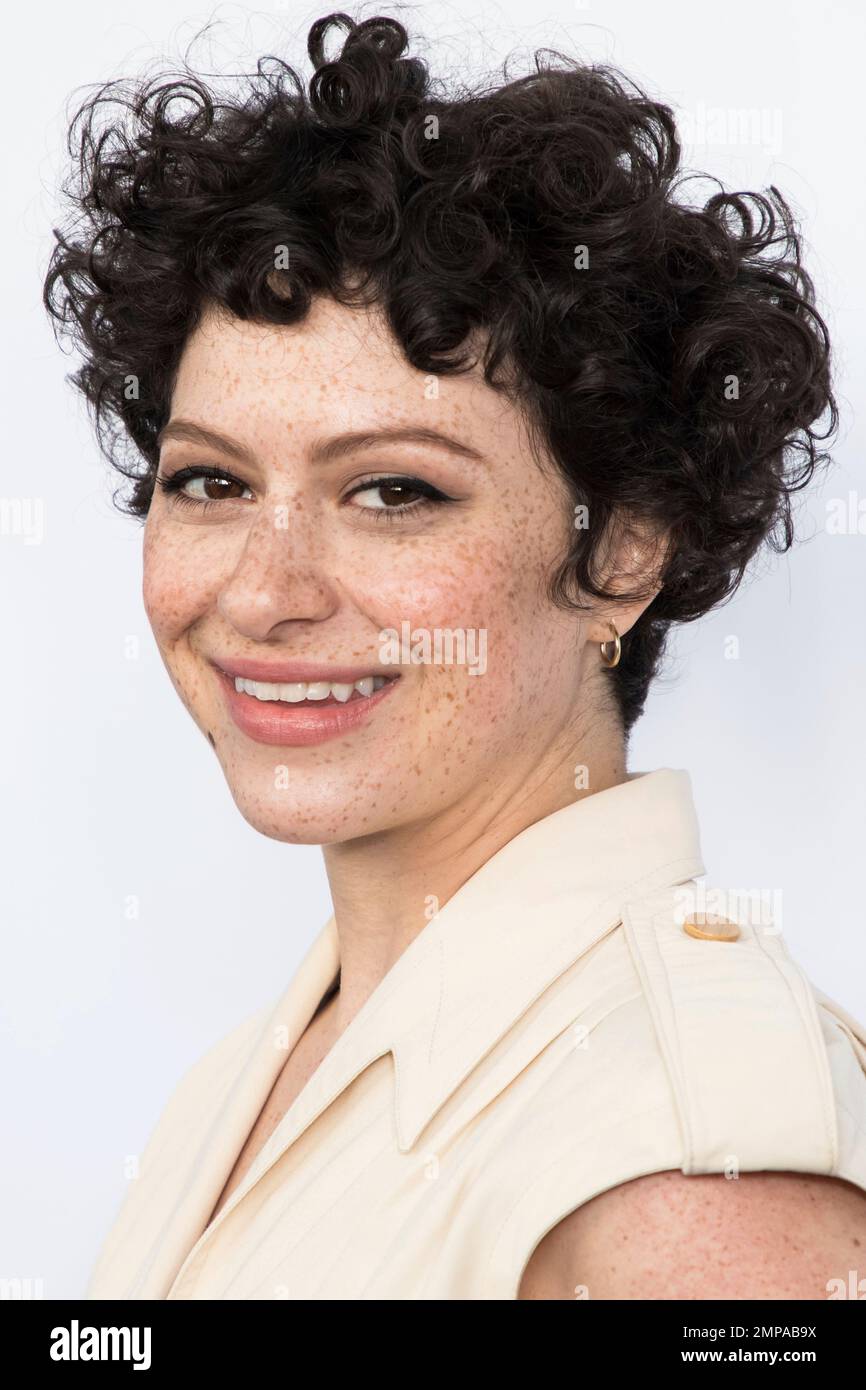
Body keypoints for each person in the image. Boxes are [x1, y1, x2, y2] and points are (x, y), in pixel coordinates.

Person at [44, 11, 866, 1299]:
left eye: (393, 492)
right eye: (210, 481)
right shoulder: (261, 1071)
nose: (264, 594)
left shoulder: (693, 1184)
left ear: (622, 557)